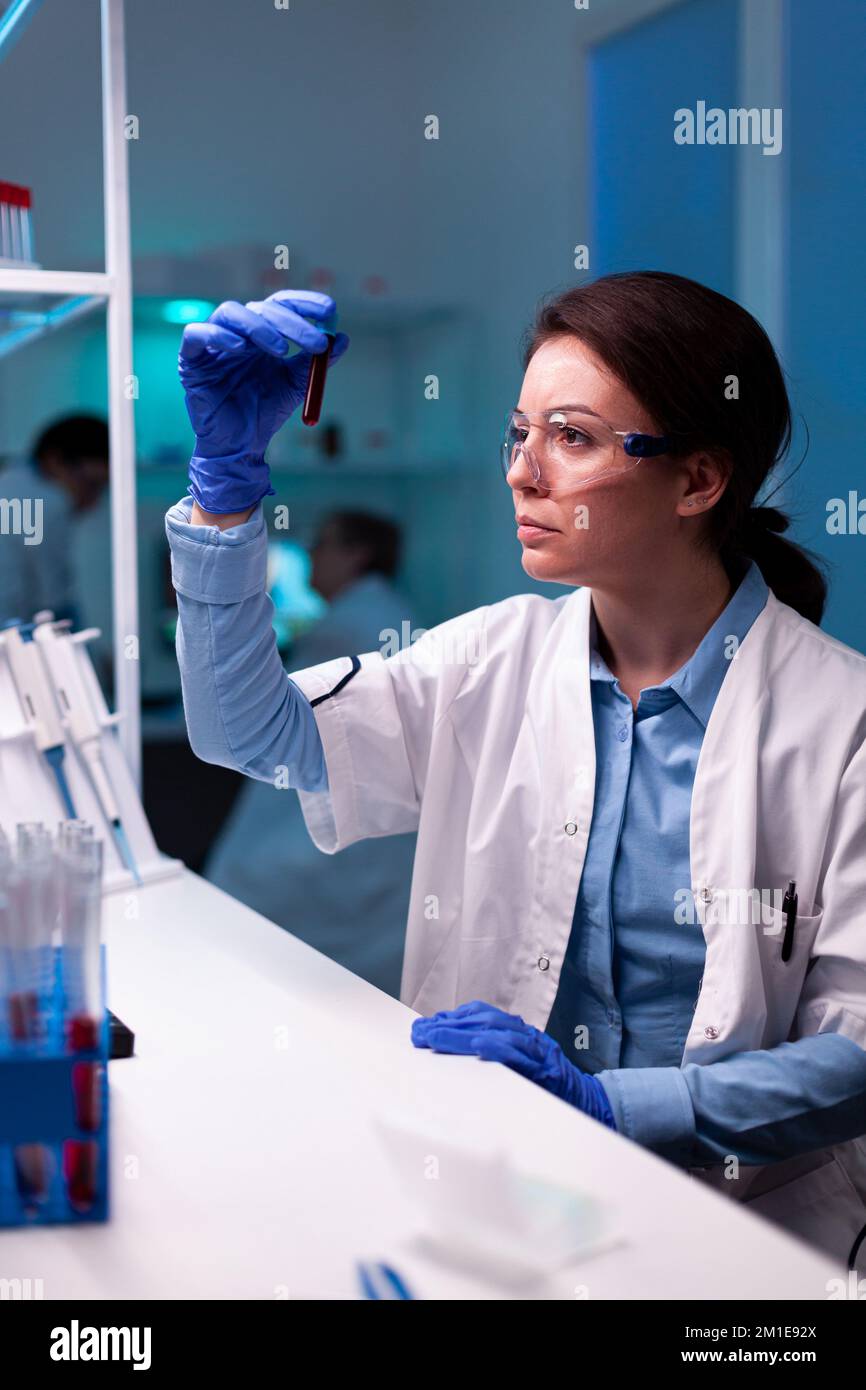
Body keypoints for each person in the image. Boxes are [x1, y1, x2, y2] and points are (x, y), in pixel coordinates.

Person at [165, 279, 866, 1267]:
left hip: (748, 1238)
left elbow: (853, 1054)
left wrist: (615, 1107)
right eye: (518, 432)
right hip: (502, 1201)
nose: (520, 473)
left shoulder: (843, 723)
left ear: (697, 480)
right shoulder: (484, 662)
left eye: (570, 437)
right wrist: (227, 495)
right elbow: (249, 732)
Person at [204, 509, 418, 995]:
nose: (311, 557)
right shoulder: (383, 613)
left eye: (322, 544)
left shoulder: (351, 625)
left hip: (344, 820)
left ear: (357, 554)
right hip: (373, 820)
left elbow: (282, 728)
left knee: (244, 890)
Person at [0, 414, 109, 625]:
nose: (93, 503)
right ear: (55, 461)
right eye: (92, 485)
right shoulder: (49, 502)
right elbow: (55, 601)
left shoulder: (10, 481)